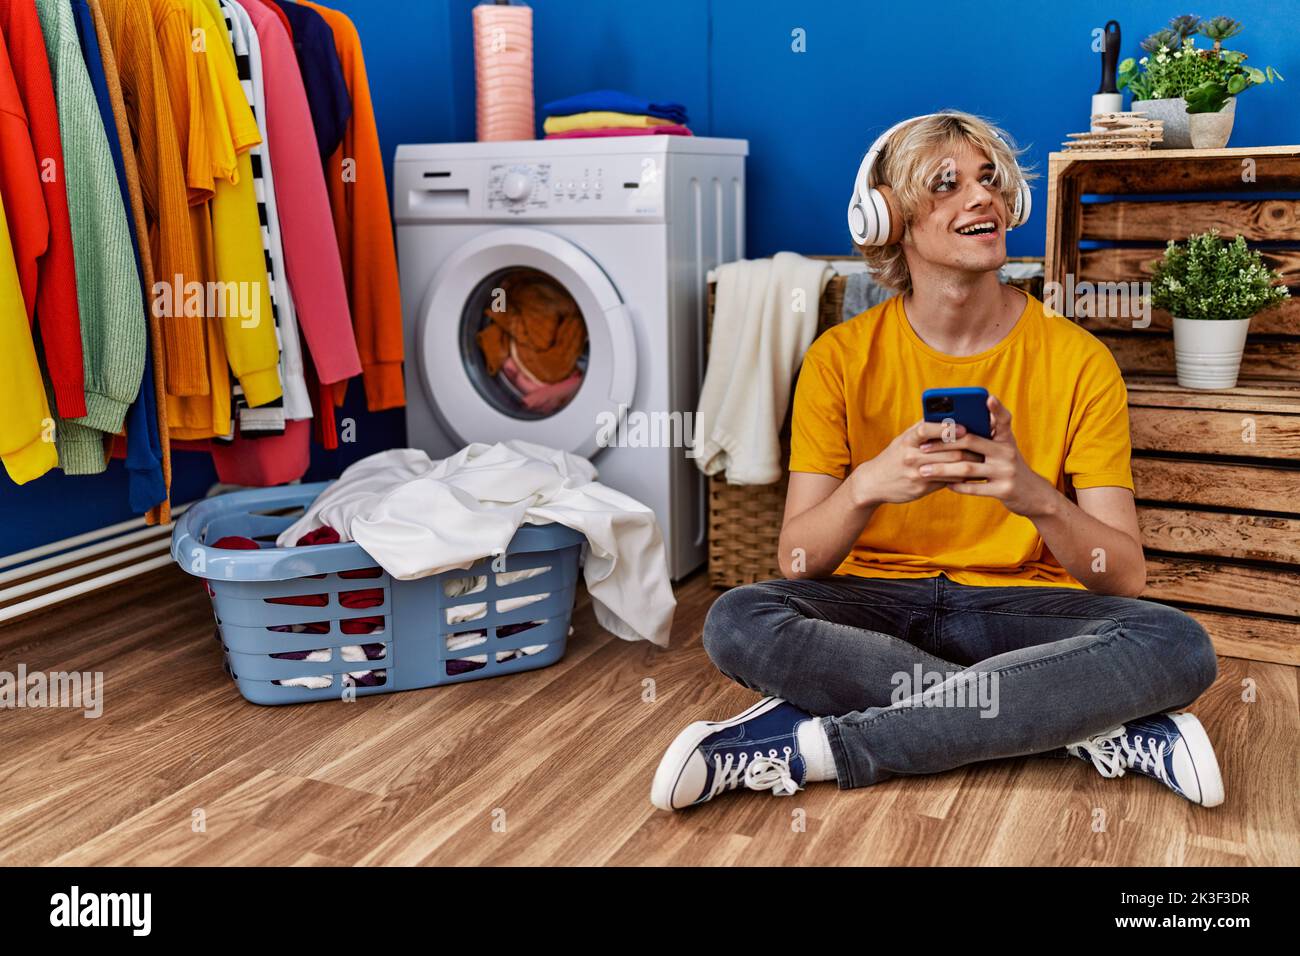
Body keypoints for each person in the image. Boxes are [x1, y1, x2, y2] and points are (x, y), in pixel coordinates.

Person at [651, 110, 1222, 812]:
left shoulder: (1078, 360)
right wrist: (867, 487)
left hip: (1019, 613)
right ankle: (1074, 719)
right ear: (887, 219)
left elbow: (1124, 575)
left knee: (1178, 642)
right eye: (946, 185)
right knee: (737, 618)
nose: (980, 198)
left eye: (989, 181)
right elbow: (799, 562)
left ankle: (822, 744)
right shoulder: (839, 359)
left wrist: (1033, 495)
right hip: (875, 610)